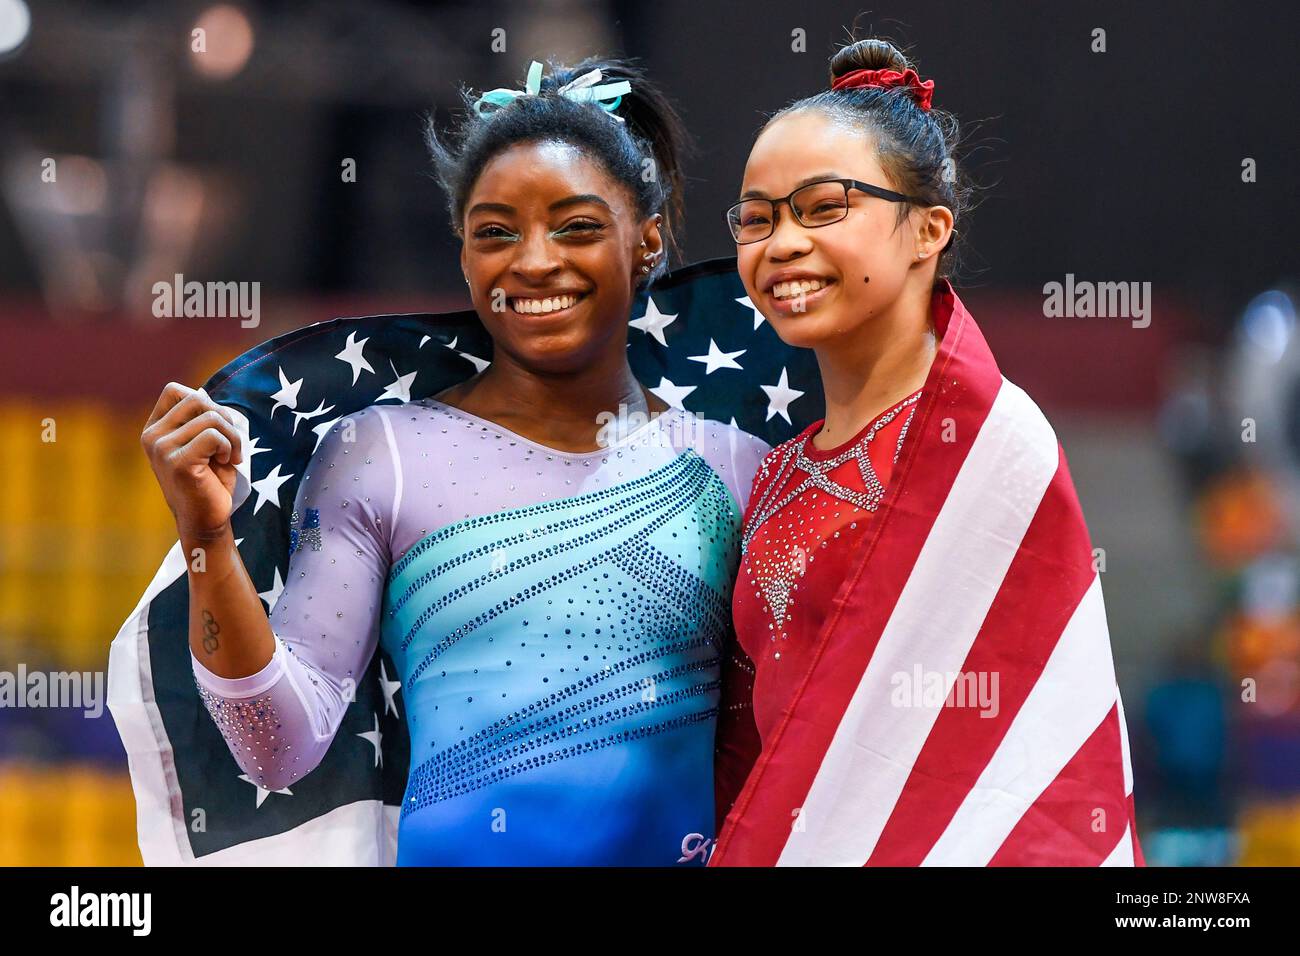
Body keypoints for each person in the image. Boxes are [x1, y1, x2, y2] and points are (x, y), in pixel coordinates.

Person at [138, 57, 769, 866]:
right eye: (496, 231)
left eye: (576, 226)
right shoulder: (382, 456)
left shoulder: (735, 468)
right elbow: (275, 748)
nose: (534, 262)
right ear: (465, 256)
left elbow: (792, 737)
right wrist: (207, 536)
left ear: (645, 242)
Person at [709, 37, 1143, 866]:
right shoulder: (776, 470)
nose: (782, 244)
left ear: (929, 230)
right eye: (757, 218)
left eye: (823, 207)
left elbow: (1034, 767)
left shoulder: (996, 451)